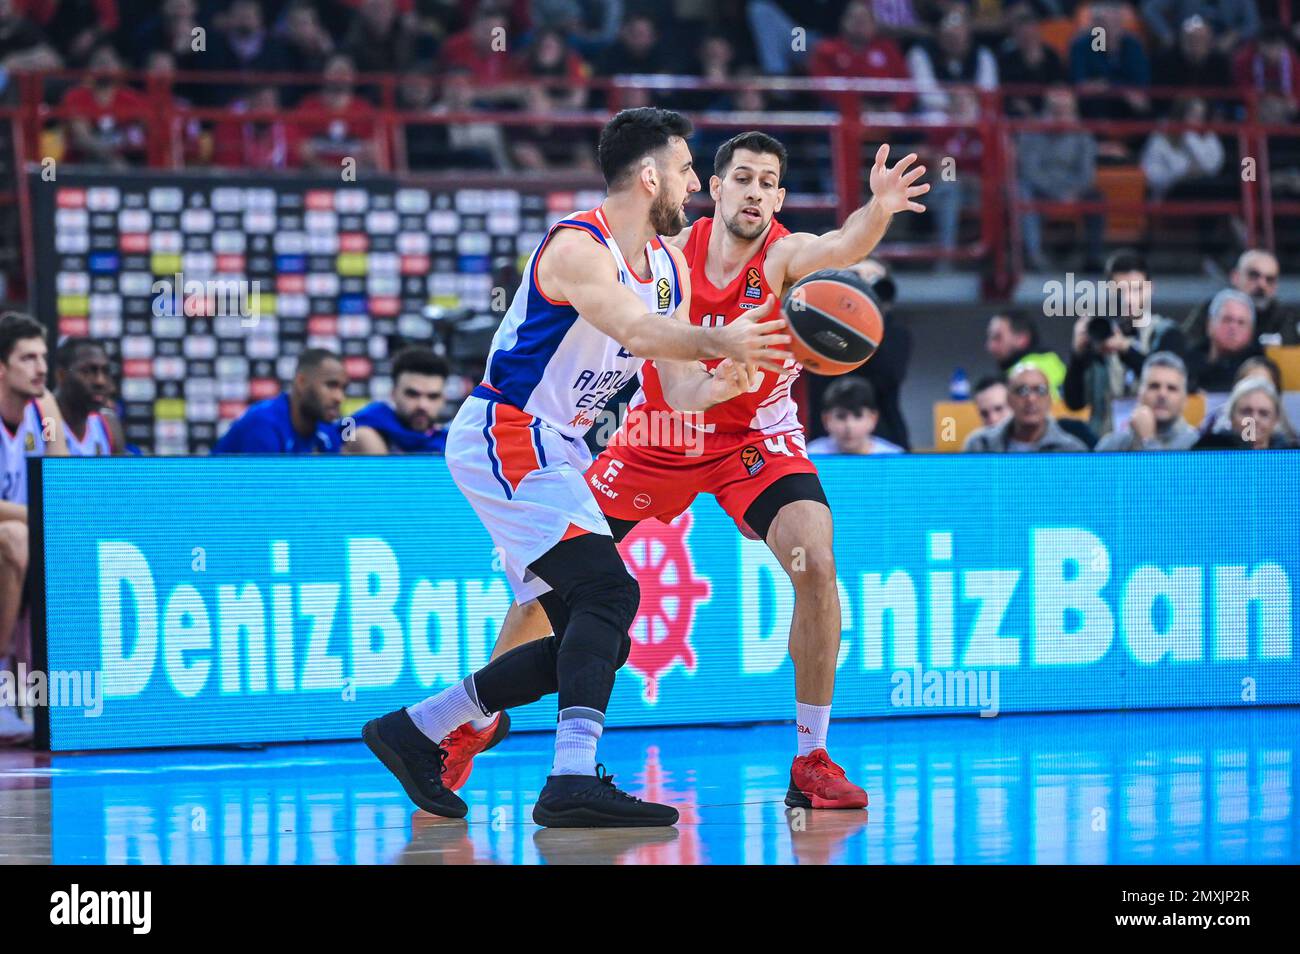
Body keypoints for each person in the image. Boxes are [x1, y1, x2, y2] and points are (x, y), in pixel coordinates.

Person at [436, 130, 928, 809]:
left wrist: (876, 211)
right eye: (743, 177)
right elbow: (650, 352)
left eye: (769, 182)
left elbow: (840, 247)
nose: (755, 191)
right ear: (715, 189)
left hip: (754, 439)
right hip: (659, 434)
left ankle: (811, 756)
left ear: (780, 198)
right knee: (540, 591)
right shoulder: (670, 255)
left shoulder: (785, 254)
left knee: (816, 559)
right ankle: (473, 722)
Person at [363, 108, 790, 828]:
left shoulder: (665, 268)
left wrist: (728, 380)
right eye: (688, 170)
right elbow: (635, 329)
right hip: (508, 431)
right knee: (610, 595)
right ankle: (569, 779)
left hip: (560, 446)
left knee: (595, 632)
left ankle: (414, 730)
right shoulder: (578, 247)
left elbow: (677, 383)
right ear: (650, 174)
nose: (694, 185)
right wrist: (721, 336)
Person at [0, 313, 69, 744]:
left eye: (43, 356)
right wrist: (36, 514)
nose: (41, 367)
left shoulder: (43, 410)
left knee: (65, 540)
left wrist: (46, 515)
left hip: (22, 525)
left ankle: (70, 691)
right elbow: (44, 508)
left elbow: (60, 483)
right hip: (13, 532)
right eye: (27, 358)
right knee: (18, 538)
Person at [1063, 249, 1186, 433]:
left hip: (1156, 440)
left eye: (1136, 290)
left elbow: (1168, 382)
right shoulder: (1098, 333)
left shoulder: (1166, 333)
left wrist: (1125, 348)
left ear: (1150, 289)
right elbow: (1074, 403)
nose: (1128, 299)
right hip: (1105, 444)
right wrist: (1077, 356)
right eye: (1120, 291)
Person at [1016, 87, 1105, 272]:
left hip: (1073, 188)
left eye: (1066, 109)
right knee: (1023, 191)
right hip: (1042, 188)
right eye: (1056, 109)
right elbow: (1029, 170)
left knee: (1097, 198)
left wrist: (1074, 191)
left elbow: (1087, 171)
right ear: (1047, 110)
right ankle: (1033, 257)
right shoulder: (1031, 131)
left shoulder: (1083, 133)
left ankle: (1093, 258)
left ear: (1073, 111)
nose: (1061, 114)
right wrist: (1057, 193)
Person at [212, 348, 345, 454]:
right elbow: (264, 487)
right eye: (331, 385)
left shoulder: (327, 430)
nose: (339, 397)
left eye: (343, 388)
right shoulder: (262, 423)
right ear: (301, 382)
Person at [1182, 249, 1299, 346]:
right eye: (1253, 275)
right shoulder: (1213, 307)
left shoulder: (1284, 317)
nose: (1262, 284)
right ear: (1235, 277)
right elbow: (1186, 344)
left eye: (1270, 279)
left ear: (1275, 287)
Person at [343, 346, 448, 454]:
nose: (422, 405)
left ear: (443, 399)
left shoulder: (449, 440)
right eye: (412, 394)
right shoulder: (365, 429)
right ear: (393, 393)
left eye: (433, 396)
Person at [963, 363, 1089, 452]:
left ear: (1050, 399)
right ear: (1009, 399)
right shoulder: (980, 446)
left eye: (1040, 390)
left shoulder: (1071, 450)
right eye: (1022, 391)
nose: (1031, 399)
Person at [1095, 352, 1200, 450]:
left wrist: (1148, 440)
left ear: (1184, 400)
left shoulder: (1196, 445)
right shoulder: (1113, 445)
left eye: (1171, 388)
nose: (1162, 394)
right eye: (1154, 386)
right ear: (1140, 395)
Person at [52, 338, 125, 455]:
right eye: (87, 371)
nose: (100, 381)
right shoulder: (41, 421)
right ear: (61, 375)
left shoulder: (108, 425)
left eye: (105, 371)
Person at [1184, 289, 1264, 392]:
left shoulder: (1259, 372)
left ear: (1251, 331)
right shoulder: (1186, 366)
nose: (1233, 328)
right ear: (1210, 324)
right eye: (1227, 320)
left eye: (1241, 322)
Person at [806, 377, 903, 455]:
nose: (849, 426)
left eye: (858, 416)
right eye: (841, 416)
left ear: (873, 419)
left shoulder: (895, 458)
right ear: (826, 419)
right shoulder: (809, 455)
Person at [984, 309, 1067, 395]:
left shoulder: (1023, 374)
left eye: (997, 337)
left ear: (1022, 338)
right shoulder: (1051, 361)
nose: (990, 346)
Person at [1196, 376, 1293, 449]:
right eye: (1246, 412)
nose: (1254, 419)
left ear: (1275, 420)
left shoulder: (1291, 459)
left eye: (1263, 413)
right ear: (1231, 416)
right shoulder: (1210, 452)